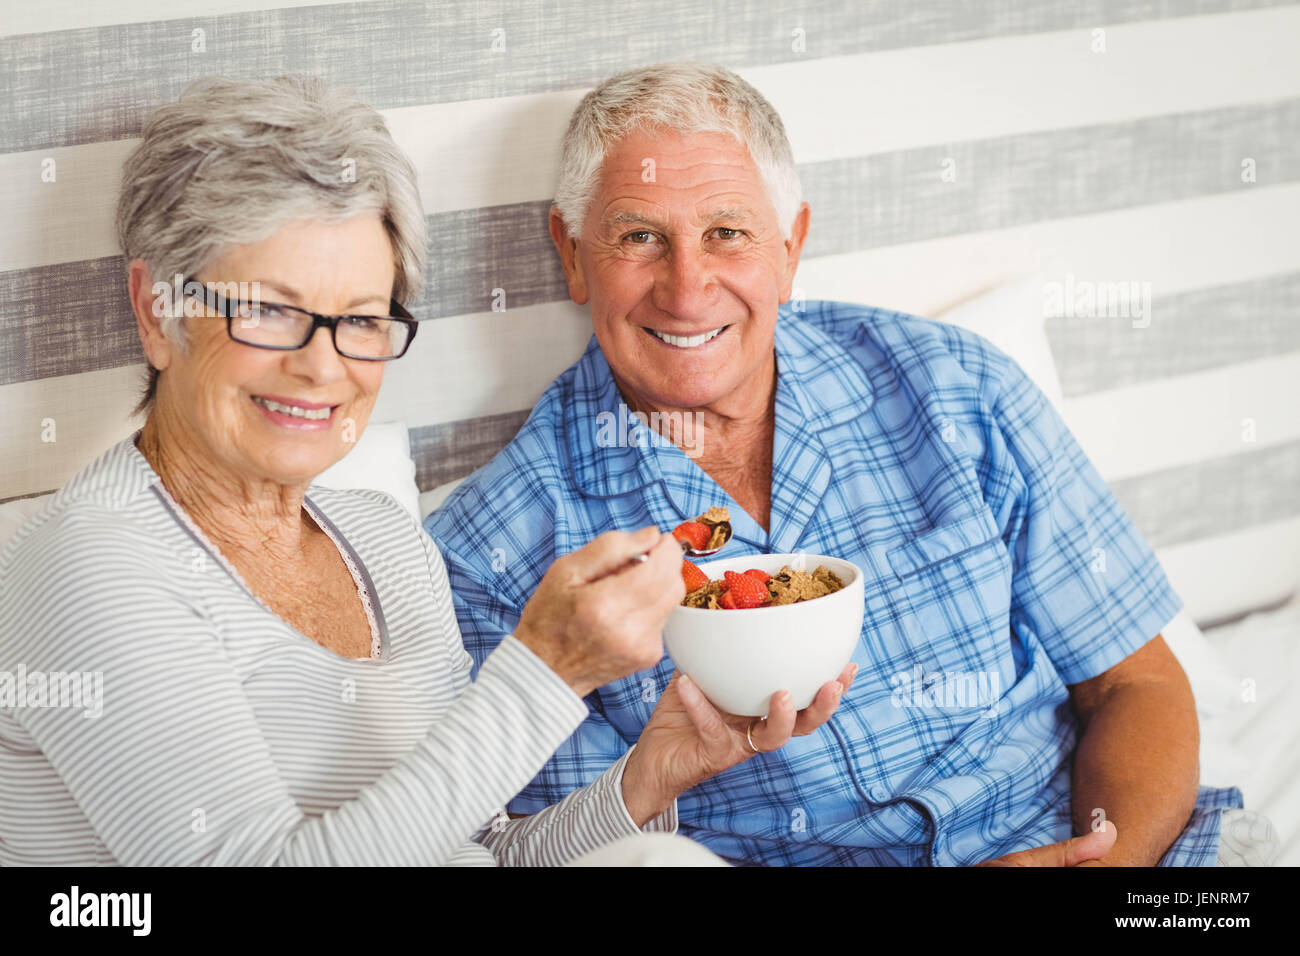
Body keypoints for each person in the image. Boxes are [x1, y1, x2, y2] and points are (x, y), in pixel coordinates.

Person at [426, 62, 1279, 866]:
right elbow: (562, 848)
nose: (687, 289)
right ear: (572, 253)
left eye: (728, 233)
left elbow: (1136, 684)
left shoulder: (956, 387)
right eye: (639, 238)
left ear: (790, 246)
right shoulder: (498, 552)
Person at [0, 74, 852, 866]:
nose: (321, 366)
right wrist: (544, 674)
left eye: (361, 319)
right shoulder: (94, 566)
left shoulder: (379, 541)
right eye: (267, 311)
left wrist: (655, 774)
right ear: (160, 315)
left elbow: (479, 853)